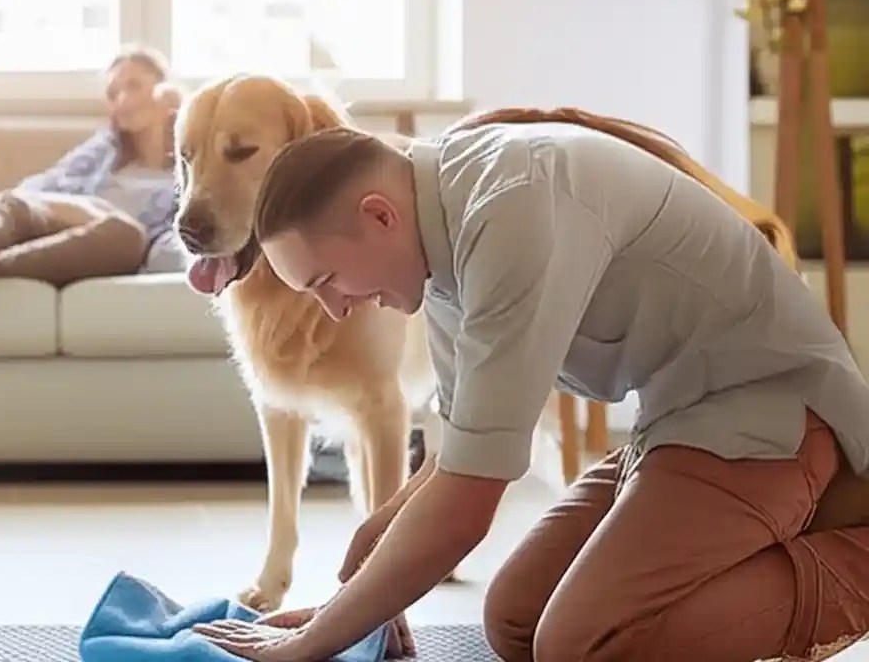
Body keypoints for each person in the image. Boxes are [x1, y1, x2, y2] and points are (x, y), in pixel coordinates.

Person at [191, 109, 869, 662]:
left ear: (379, 216)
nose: (337, 307)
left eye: (326, 281)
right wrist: (367, 576)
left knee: (582, 642)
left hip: (770, 419)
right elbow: (460, 450)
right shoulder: (439, 243)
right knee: (517, 621)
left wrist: (318, 641)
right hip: (678, 423)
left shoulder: (508, 207)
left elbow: (468, 502)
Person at [0, 45, 186, 286]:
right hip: (53, 232)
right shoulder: (104, 151)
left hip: (107, 246)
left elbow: (169, 254)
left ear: (165, 89)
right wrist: (75, 210)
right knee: (15, 206)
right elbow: (29, 195)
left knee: (126, 234)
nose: (122, 100)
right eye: (113, 94)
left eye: (134, 86)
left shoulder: (190, 172)